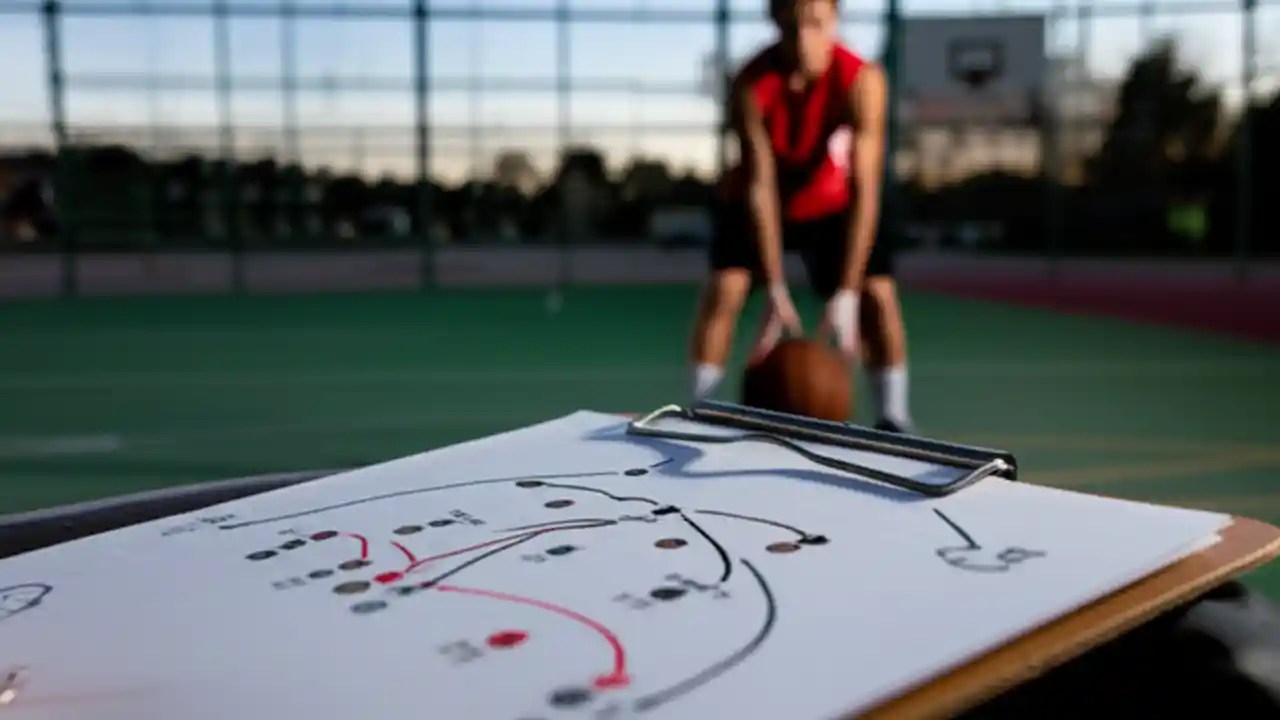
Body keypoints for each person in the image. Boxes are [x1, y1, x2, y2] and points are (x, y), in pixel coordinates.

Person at [687, 0, 914, 433]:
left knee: (879, 296)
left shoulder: (862, 80)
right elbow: (760, 186)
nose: (804, 38)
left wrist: (846, 291)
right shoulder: (750, 84)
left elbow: (866, 189)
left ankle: (895, 417)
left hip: (830, 201)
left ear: (835, 21)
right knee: (725, 287)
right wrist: (774, 284)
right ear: (774, 21)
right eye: (792, 26)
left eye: (815, 24)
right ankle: (701, 409)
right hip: (759, 199)